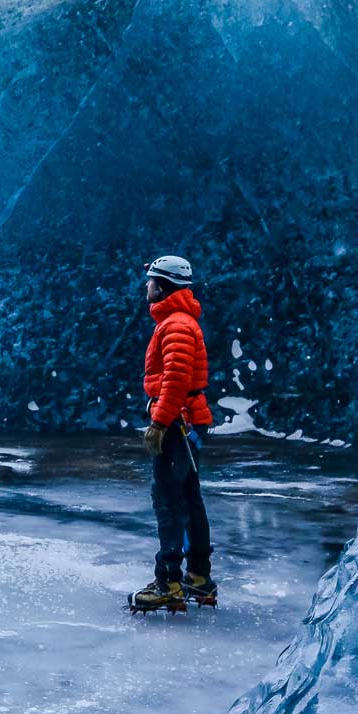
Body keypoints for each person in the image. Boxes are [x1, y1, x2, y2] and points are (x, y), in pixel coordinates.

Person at [133, 255, 216, 612]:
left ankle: (169, 581)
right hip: (186, 422)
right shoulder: (176, 322)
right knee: (188, 499)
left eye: (151, 280)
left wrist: (160, 423)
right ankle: (197, 577)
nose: (146, 286)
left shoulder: (177, 325)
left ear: (163, 285)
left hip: (178, 423)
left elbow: (176, 381)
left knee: (169, 500)